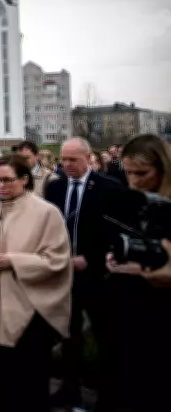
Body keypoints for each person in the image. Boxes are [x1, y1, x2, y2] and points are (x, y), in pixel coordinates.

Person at [0, 154, 72, 412]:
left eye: (7, 180)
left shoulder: (46, 212)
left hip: (30, 310)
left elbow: (57, 259)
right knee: (1, 380)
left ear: (25, 180)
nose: (1, 186)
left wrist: (12, 261)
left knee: (29, 384)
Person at [44, 137, 126, 410]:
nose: (66, 164)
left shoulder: (109, 188)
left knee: (105, 336)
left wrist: (90, 259)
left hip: (97, 275)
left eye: (72, 159)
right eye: (63, 159)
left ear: (88, 158)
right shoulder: (54, 188)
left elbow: (116, 233)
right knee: (68, 334)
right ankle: (70, 389)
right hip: (63, 272)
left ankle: (107, 395)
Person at [101, 134, 171, 411]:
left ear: (164, 169)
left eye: (142, 173)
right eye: (128, 172)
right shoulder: (131, 200)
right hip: (125, 308)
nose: (134, 180)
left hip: (161, 317)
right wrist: (116, 254)